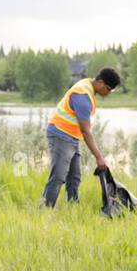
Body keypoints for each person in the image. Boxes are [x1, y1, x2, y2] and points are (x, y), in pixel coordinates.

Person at [42, 67, 120, 207]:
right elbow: (86, 131)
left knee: (74, 177)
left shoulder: (88, 87)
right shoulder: (82, 96)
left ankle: (73, 208)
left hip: (71, 136)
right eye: (109, 89)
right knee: (58, 176)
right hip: (60, 134)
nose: (108, 93)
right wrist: (99, 157)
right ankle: (45, 210)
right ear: (101, 82)